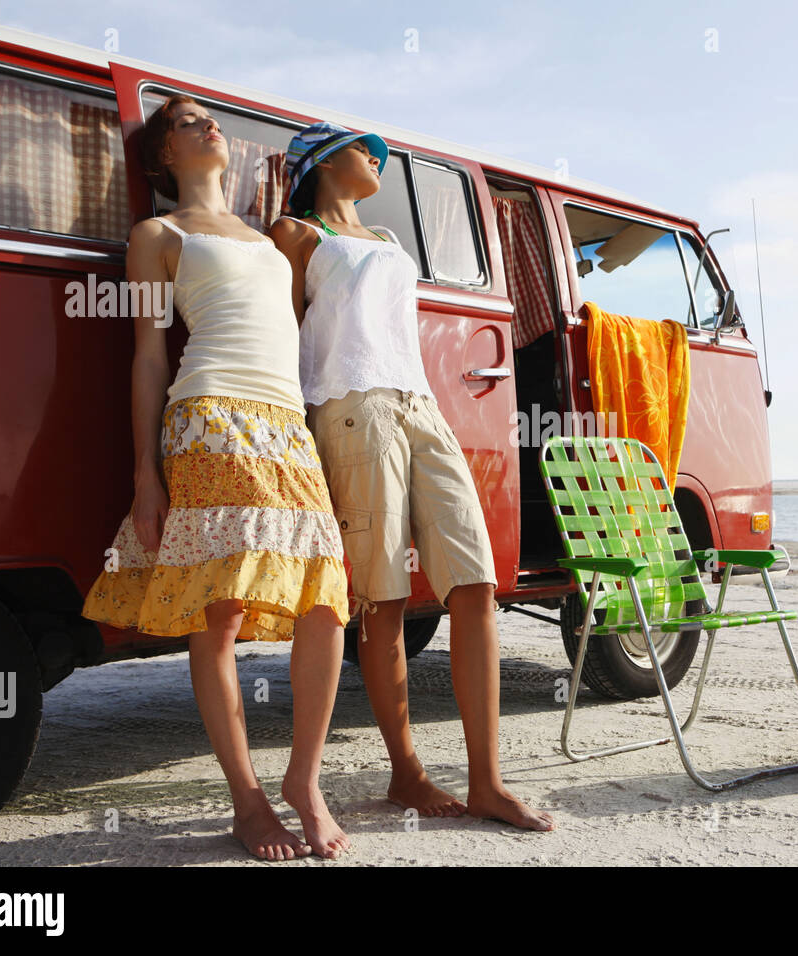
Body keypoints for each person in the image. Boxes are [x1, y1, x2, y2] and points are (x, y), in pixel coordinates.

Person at [82, 97, 352, 860]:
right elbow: (146, 355)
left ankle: (304, 781)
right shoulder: (156, 234)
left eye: (210, 120)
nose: (209, 128)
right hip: (209, 417)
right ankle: (247, 798)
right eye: (188, 123)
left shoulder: (269, 239)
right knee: (222, 610)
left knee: (327, 598)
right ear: (164, 155)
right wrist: (146, 474)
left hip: (286, 425)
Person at [270, 122, 553, 831]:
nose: (378, 159)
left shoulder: (392, 244)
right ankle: (407, 772)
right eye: (365, 149)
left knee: (477, 581)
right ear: (322, 160)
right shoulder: (297, 233)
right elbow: (280, 335)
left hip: (418, 403)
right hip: (348, 404)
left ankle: (486, 781)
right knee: (385, 598)